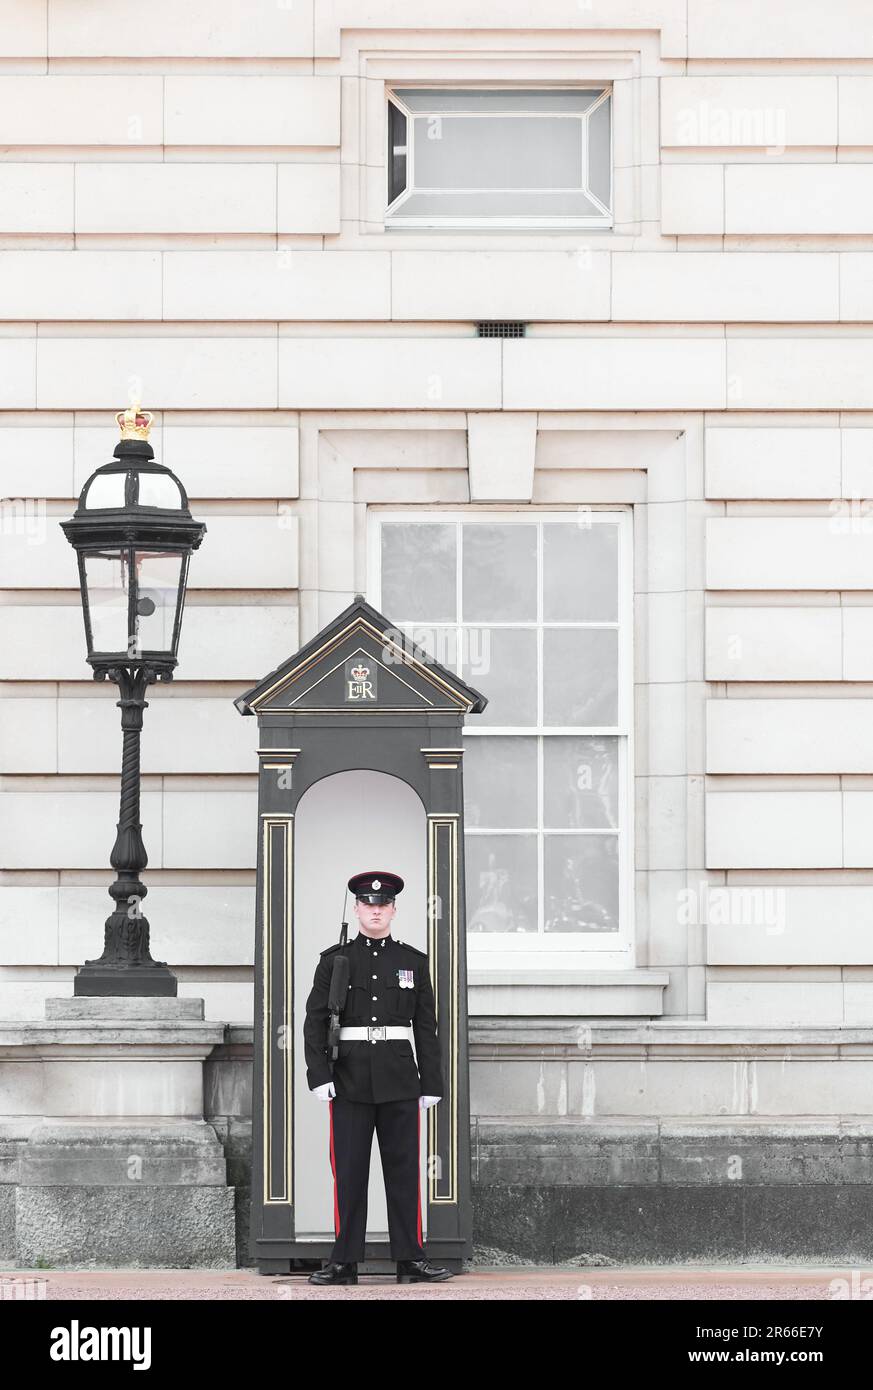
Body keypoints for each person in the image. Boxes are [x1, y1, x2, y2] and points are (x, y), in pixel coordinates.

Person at [303, 870, 453, 1285]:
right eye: (368, 905)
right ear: (357, 909)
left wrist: (432, 1083)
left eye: (383, 904)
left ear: (393, 910)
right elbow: (314, 1021)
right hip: (348, 1078)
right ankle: (344, 1262)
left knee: (404, 1172)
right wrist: (319, 1074)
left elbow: (426, 1027)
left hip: (400, 1078)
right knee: (349, 1173)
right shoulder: (334, 960)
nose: (375, 910)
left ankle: (411, 1260)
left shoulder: (412, 962)